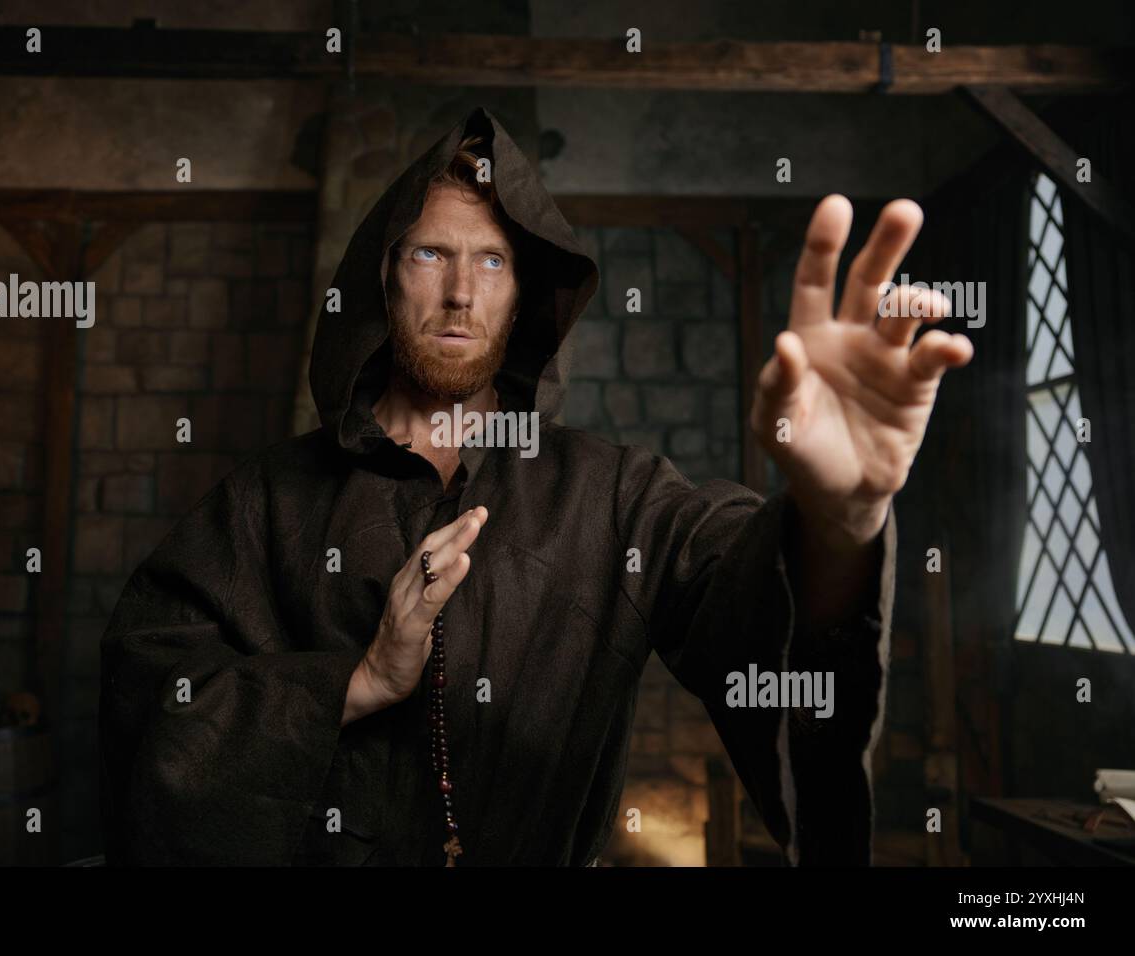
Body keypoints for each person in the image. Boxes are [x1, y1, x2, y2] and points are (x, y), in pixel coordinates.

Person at [98, 106, 972, 866]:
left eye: (490, 263)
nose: (458, 295)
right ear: (383, 277)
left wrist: (839, 517)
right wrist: (356, 681)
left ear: (525, 298)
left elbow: (739, 585)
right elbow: (152, 703)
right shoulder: (265, 500)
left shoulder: (613, 495)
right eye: (430, 254)